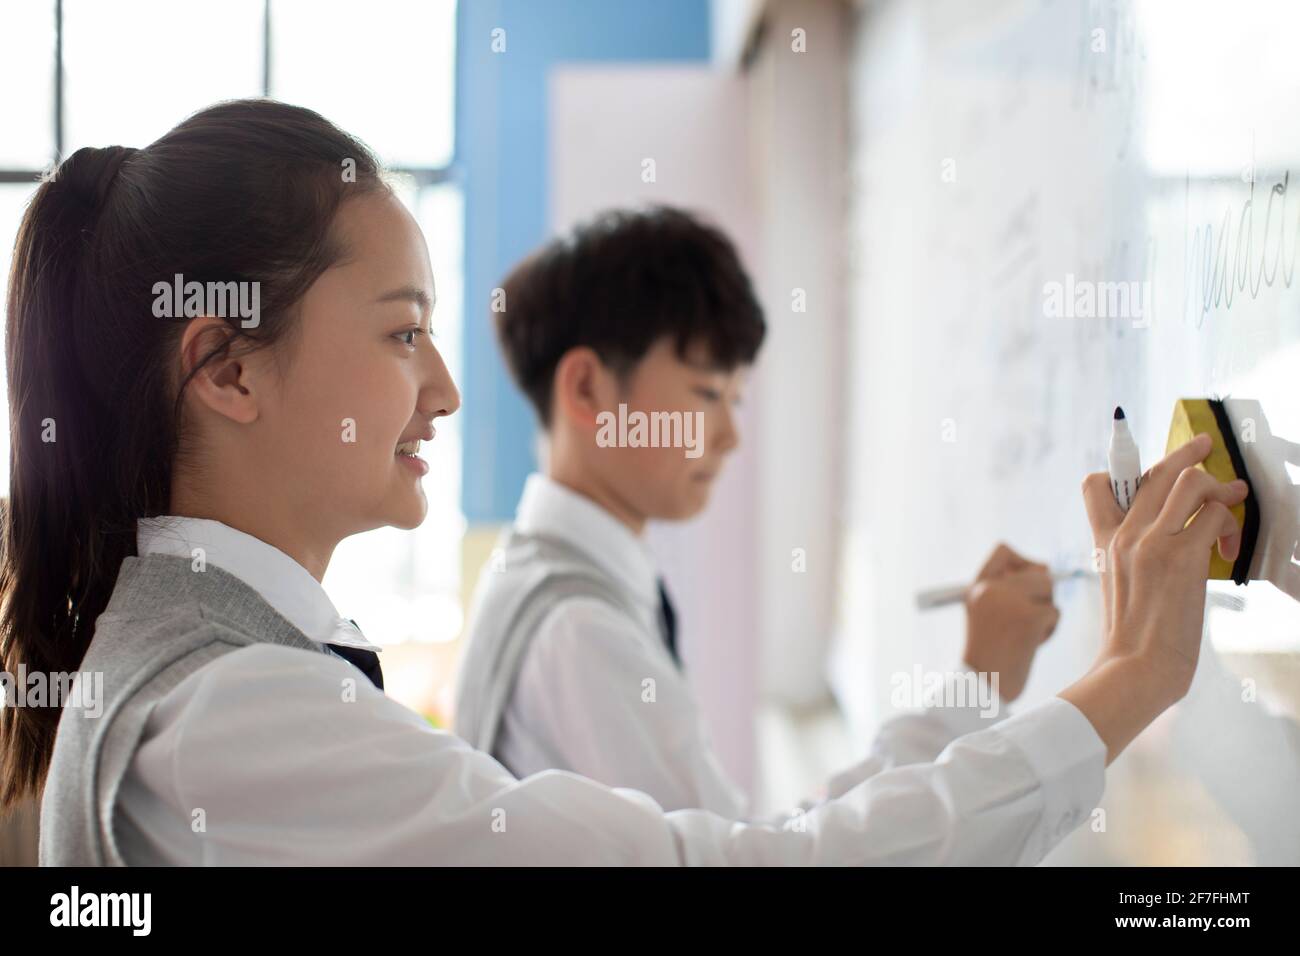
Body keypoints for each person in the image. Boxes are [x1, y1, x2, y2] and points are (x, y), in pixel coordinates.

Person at [0, 99, 1248, 865]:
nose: (439, 388)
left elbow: (736, 844)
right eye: (397, 333)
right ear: (224, 364)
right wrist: (1121, 682)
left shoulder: (218, 668)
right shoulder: (238, 715)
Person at [455, 207, 1066, 817]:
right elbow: (752, 860)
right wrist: (975, 690)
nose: (728, 437)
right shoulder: (583, 629)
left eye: (736, 399)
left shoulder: (538, 574)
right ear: (587, 389)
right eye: (707, 394)